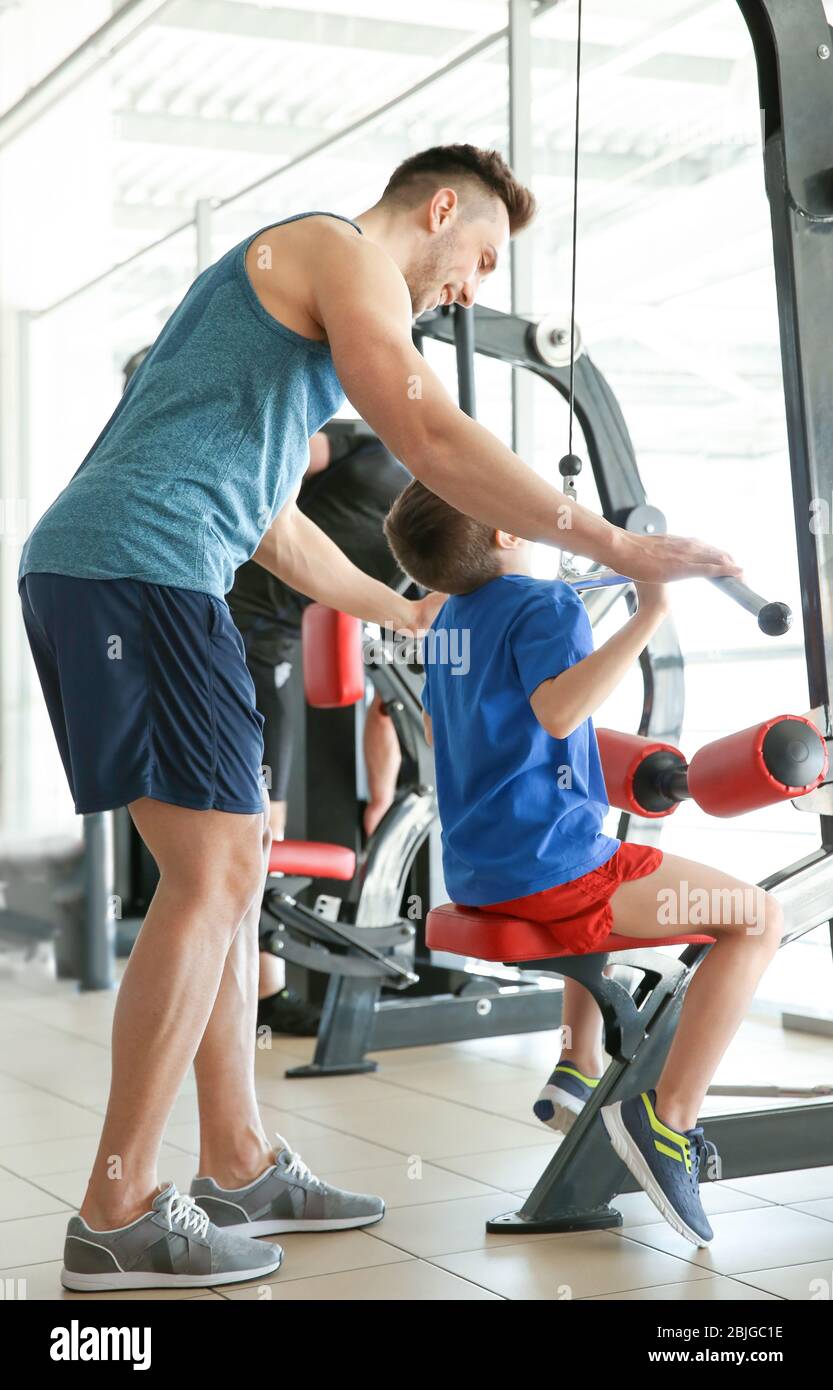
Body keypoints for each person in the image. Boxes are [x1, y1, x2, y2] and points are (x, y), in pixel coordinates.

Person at [17, 142, 739, 1292]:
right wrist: (608, 543)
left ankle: (240, 1163)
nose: (469, 288)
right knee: (211, 881)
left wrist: (396, 605)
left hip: (139, 567)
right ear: (439, 208)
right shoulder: (335, 249)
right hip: (140, 571)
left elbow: (271, 525)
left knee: (235, 868)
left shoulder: (276, 333)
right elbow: (430, 436)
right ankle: (116, 1207)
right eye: (480, 258)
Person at [383, 480, 783, 1248]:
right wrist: (653, 612)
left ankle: (577, 1060)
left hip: (479, 872)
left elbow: (467, 730)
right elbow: (558, 711)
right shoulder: (547, 607)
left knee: (634, 852)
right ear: (504, 532)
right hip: (552, 875)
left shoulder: (450, 621)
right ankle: (667, 1123)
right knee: (754, 919)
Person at [228, 419, 413, 1035]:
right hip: (227, 616)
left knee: (263, 833)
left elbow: (388, 699)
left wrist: (383, 792)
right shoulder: (364, 440)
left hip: (266, 650)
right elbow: (260, 457)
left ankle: (263, 996)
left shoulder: (432, 546)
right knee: (254, 830)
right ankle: (245, 993)